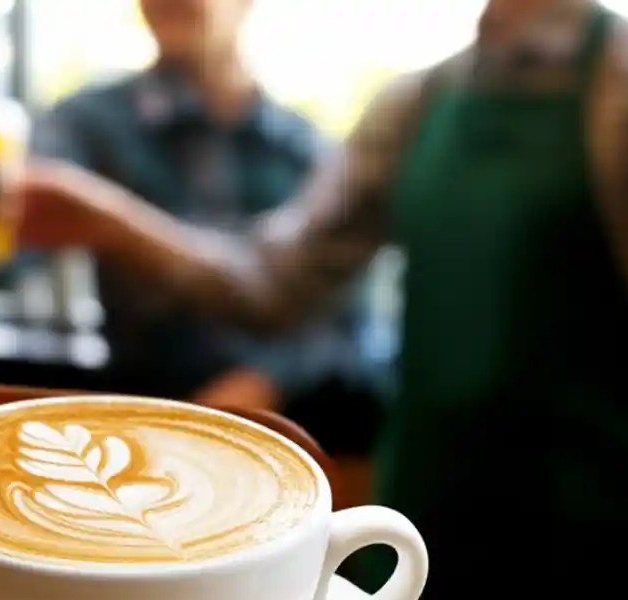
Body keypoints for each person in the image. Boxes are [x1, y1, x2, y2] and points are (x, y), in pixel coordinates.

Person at [15, 0, 628, 600]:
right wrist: (106, 220)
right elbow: (274, 284)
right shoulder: (419, 101)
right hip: (427, 529)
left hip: (608, 544)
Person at [30, 0, 378, 438]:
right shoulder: (83, 126)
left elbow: (346, 315)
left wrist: (267, 379)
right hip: (138, 418)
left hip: (286, 432)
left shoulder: (306, 152)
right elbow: (7, 243)